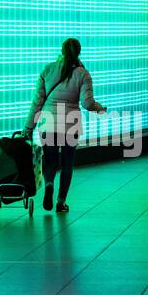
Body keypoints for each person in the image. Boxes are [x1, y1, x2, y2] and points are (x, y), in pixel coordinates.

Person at [22, 38, 108, 213]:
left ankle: (49, 185)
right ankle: (61, 202)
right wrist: (99, 108)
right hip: (70, 123)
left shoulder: (48, 69)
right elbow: (87, 103)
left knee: (50, 159)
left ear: (61, 51)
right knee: (67, 162)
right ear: (79, 52)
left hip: (48, 122)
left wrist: (28, 127)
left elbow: (36, 103)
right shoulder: (83, 74)